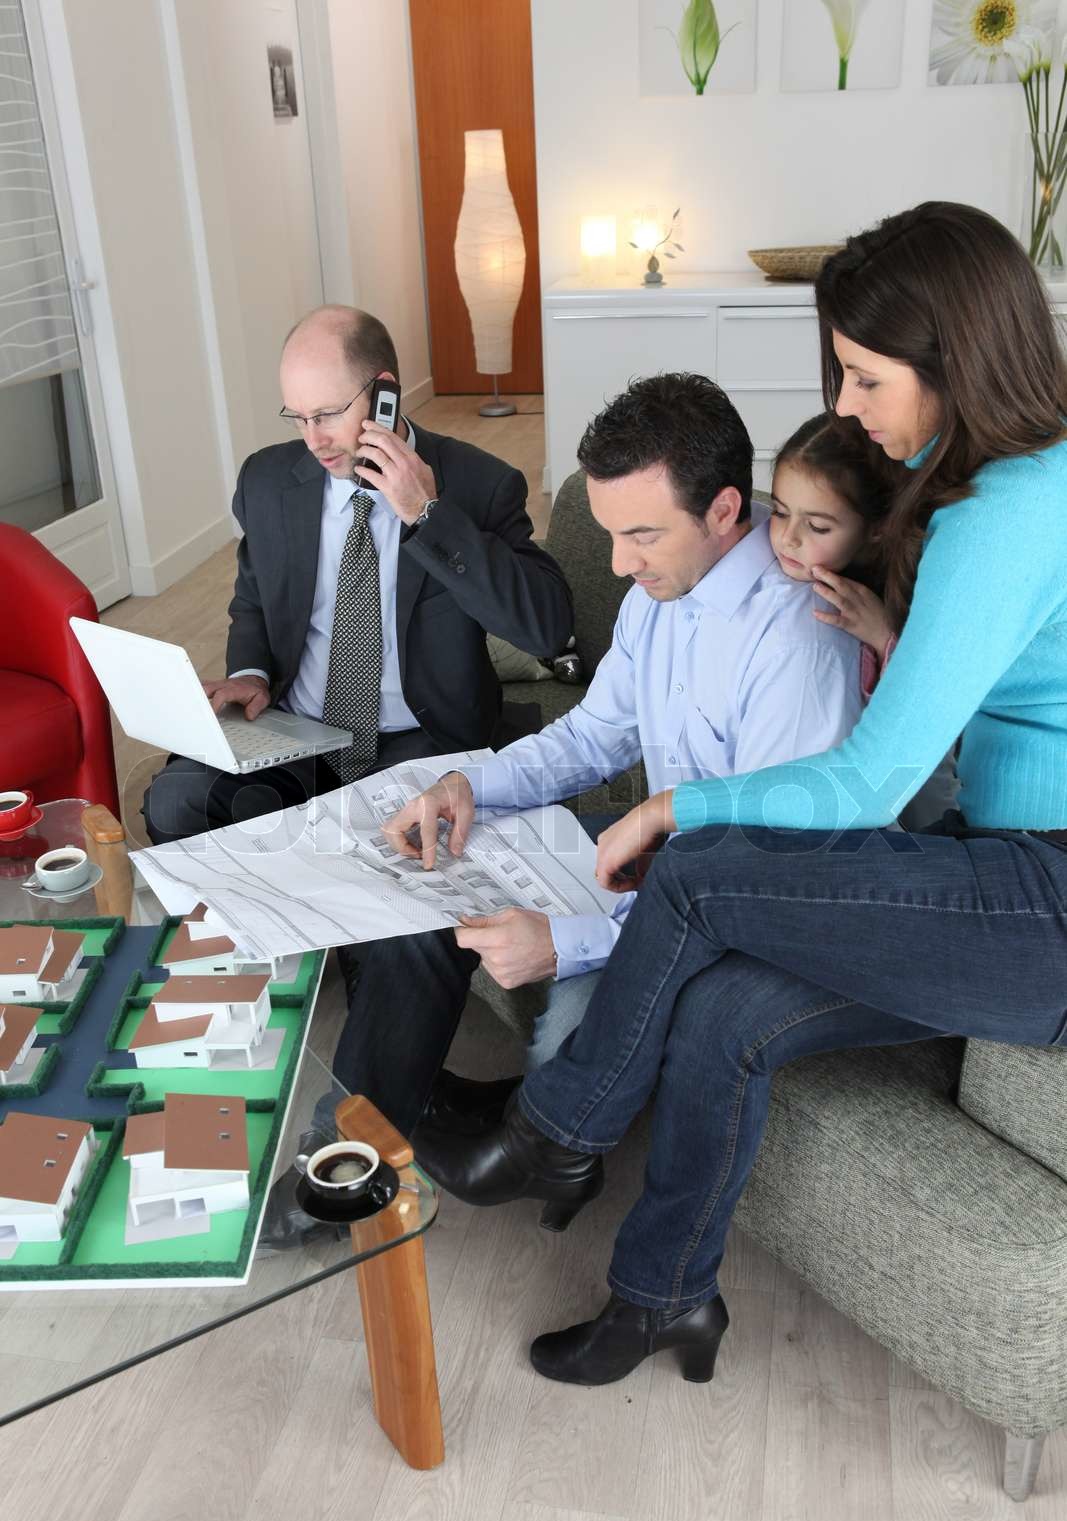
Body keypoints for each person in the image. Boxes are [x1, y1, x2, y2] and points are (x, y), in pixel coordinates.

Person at [415, 200, 1067, 1389]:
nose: (849, 410)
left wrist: (673, 811)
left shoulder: (1005, 514)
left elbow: (867, 782)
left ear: (953, 356)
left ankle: (555, 1133)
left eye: (866, 378)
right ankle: (660, 1299)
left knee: (704, 868)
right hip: (998, 865)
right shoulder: (1020, 489)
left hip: (1044, 898)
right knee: (724, 1019)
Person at [360, 378, 894, 1154]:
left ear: (720, 510)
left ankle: (530, 1137)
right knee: (430, 863)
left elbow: (753, 870)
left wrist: (566, 942)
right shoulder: (656, 591)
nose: (616, 564)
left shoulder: (800, 634)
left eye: (640, 533)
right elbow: (591, 737)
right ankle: (366, 1129)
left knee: (564, 1038)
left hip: (748, 887)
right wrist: (466, 784)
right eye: (612, 534)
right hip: (660, 854)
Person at [142, 304, 573, 845]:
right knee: (175, 801)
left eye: (325, 414)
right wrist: (250, 674)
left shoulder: (478, 483)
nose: (312, 438)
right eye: (297, 417)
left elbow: (547, 628)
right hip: (295, 736)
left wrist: (428, 515)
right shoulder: (267, 481)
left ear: (384, 393)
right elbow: (252, 598)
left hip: (419, 739)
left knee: (390, 852)